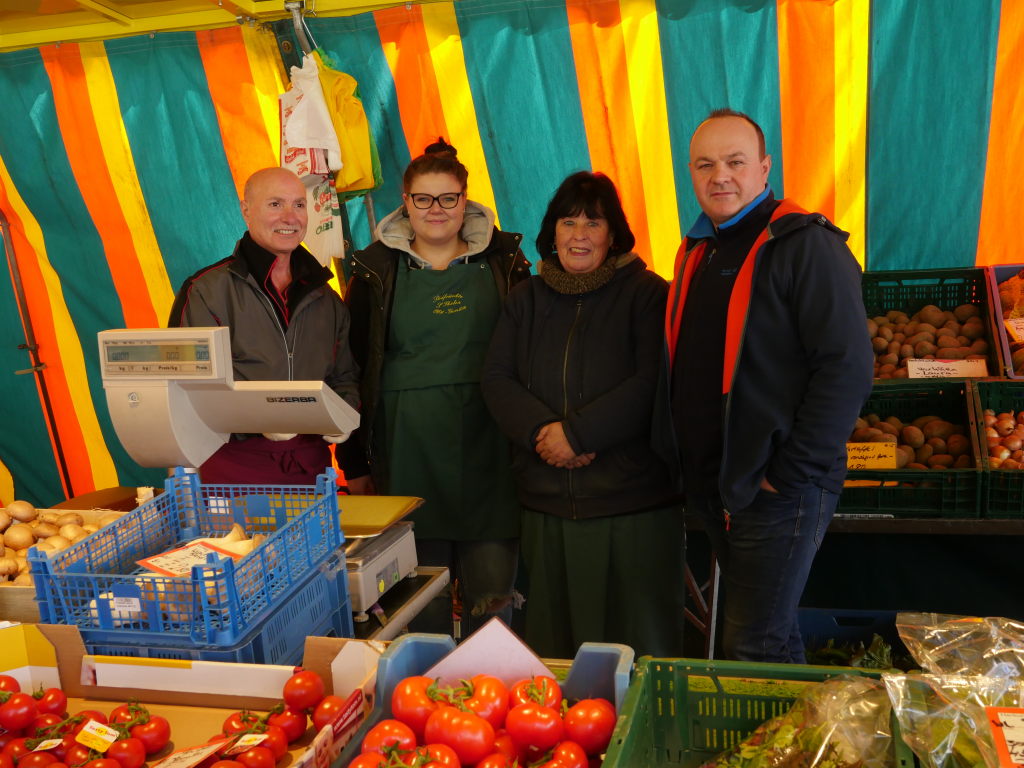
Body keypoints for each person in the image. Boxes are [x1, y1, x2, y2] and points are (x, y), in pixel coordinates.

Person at [667, 108, 874, 662]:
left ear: (764, 168)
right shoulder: (700, 248)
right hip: (723, 484)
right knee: (770, 634)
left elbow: (848, 367)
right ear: (690, 173)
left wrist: (790, 474)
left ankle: (768, 749)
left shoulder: (807, 244)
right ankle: (806, 741)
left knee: (752, 643)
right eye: (705, 165)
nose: (720, 177)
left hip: (777, 489)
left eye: (735, 162)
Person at [482, 171, 686, 659]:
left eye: (593, 224)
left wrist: (577, 433)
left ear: (613, 234)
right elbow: (496, 378)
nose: (578, 235)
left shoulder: (647, 294)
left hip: (632, 507)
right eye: (567, 222)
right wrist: (542, 434)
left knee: (637, 654)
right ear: (551, 231)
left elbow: (651, 382)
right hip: (547, 507)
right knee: (555, 663)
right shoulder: (524, 300)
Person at [337, 139, 531, 637]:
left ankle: (492, 697)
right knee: (418, 606)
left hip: (493, 458)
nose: (436, 210)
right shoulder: (375, 273)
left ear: (465, 200)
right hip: (408, 458)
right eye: (423, 199)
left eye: (448, 198)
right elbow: (353, 370)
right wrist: (355, 463)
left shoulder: (505, 265)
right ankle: (426, 702)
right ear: (406, 202)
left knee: (494, 606)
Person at [168, 166, 359, 485]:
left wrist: (344, 413)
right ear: (245, 211)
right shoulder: (206, 291)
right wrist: (256, 422)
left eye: (298, 204)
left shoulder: (327, 299)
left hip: (310, 467)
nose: (290, 217)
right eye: (275, 204)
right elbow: (187, 389)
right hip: (233, 469)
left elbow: (345, 376)